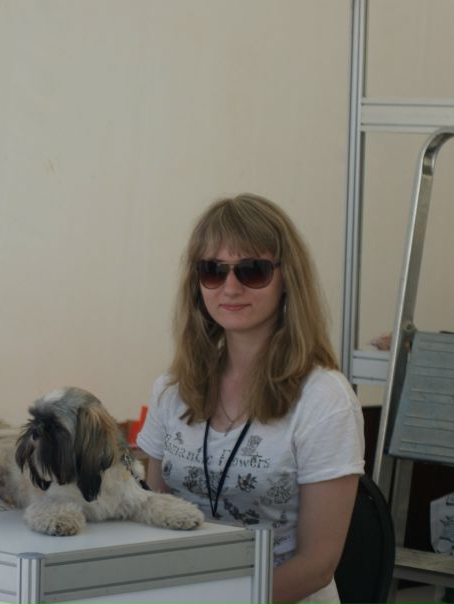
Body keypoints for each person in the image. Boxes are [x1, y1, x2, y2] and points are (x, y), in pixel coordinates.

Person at [136, 193, 364, 604]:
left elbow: (318, 565)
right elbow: (152, 514)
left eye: (252, 271)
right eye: (213, 270)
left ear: (287, 279)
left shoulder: (325, 398)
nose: (230, 287)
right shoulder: (172, 388)